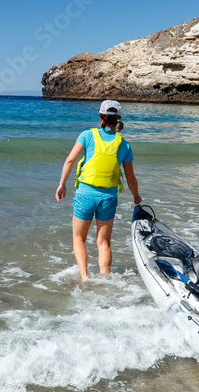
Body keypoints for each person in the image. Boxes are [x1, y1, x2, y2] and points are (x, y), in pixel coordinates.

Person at [56, 100, 142, 280]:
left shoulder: (87, 135)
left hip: (85, 195)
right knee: (103, 242)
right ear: (118, 120)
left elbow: (70, 160)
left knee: (79, 238)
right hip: (108, 198)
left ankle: (85, 277)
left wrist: (62, 184)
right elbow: (130, 178)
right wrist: (136, 195)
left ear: (101, 118)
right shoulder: (124, 144)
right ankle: (105, 279)